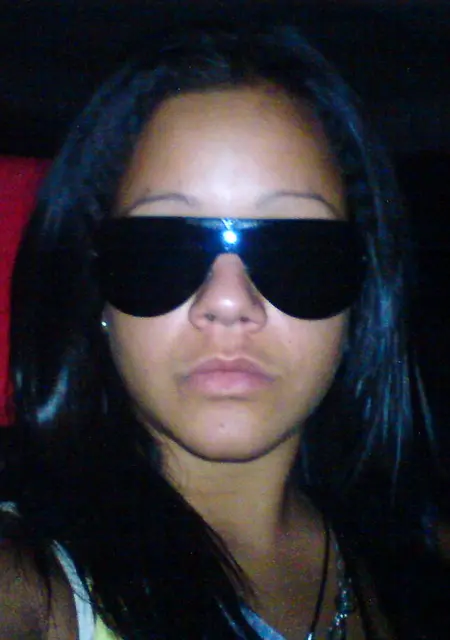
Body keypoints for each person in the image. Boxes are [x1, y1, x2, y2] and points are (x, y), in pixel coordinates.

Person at [0, 24, 448, 640]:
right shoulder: (28, 589)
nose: (229, 302)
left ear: (360, 297)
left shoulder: (426, 566)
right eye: (162, 248)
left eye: (298, 250)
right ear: (94, 289)